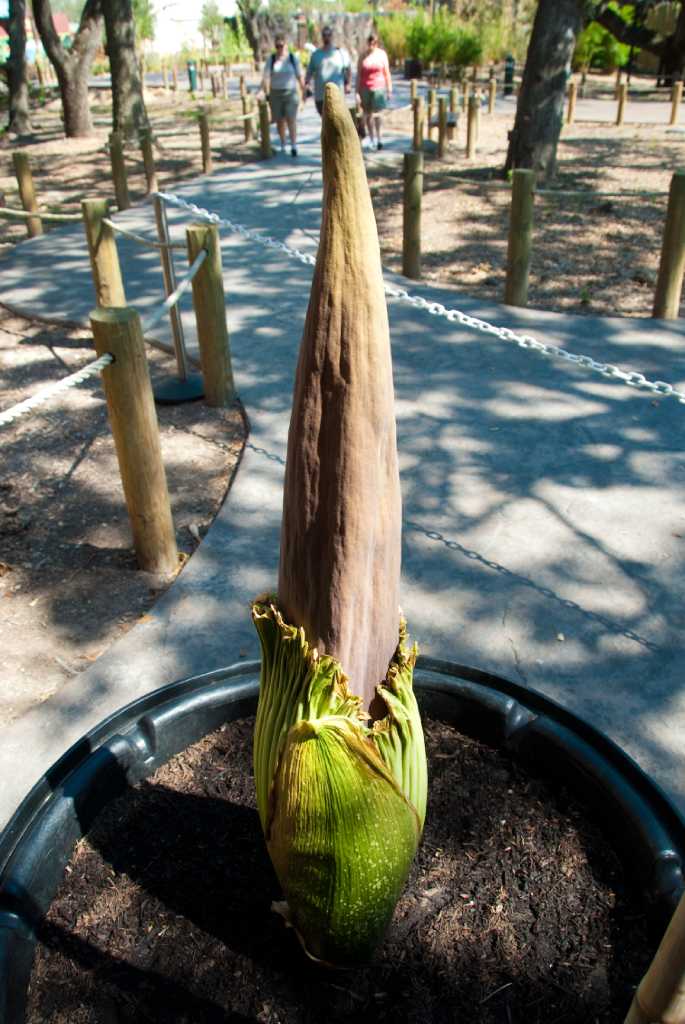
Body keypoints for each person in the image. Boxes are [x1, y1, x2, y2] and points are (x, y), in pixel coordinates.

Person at [261, 35, 306, 157]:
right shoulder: (271, 60)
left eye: (281, 45)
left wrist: (304, 90)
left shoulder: (292, 58)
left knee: (291, 119)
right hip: (276, 93)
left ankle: (294, 145)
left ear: (286, 45)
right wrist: (266, 92)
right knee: (280, 120)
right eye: (277, 46)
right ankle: (283, 143)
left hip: (290, 92)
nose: (279, 48)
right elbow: (266, 77)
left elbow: (300, 76)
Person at [356, 33, 392, 151]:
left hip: (378, 87)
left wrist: (389, 89)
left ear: (377, 43)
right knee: (368, 114)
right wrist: (357, 92)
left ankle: (379, 138)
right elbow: (359, 75)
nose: (372, 45)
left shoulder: (381, 55)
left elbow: (386, 72)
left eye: (374, 42)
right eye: (370, 42)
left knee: (378, 114)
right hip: (365, 88)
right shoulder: (363, 56)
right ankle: (371, 138)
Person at [305, 25, 351, 116]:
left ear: (331, 36)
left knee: (337, 119)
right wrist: (306, 85)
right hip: (321, 96)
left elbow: (348, 68)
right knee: (325, 121)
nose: (326, 37)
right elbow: (309, 72)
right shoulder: (316, 55)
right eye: (324, 35)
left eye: (328, 35)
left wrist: (348, 84)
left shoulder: (340, 53)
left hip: (337, 96)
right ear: (322, 37)